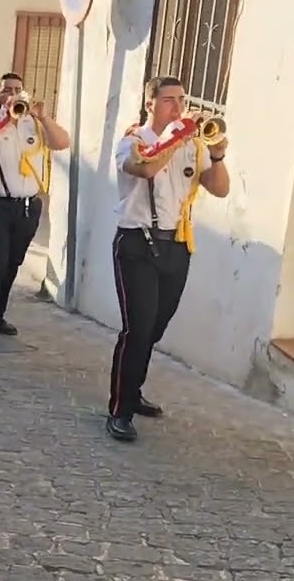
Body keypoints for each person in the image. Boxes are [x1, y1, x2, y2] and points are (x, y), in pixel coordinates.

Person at [107, 76, 229, 441]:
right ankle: (120, 410)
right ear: (150, 105)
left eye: (181, 100)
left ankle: (133, 390)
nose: (178, 107)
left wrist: (217, 154)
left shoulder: (193, 144)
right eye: (168, 100)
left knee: (155, 328)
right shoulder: (133, 141)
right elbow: (144, 168)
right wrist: (177, 135)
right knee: (138, 329)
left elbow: (220, 188)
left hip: (177, 244)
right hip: (137, 243)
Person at [0, 74, 71, 347]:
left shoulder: (32, 124)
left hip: (26, 206)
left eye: (17, 90)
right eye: (7, 90)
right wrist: (5, 116)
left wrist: (43, 117)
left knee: (11, 264)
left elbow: (62, 142)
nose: (12, 94)